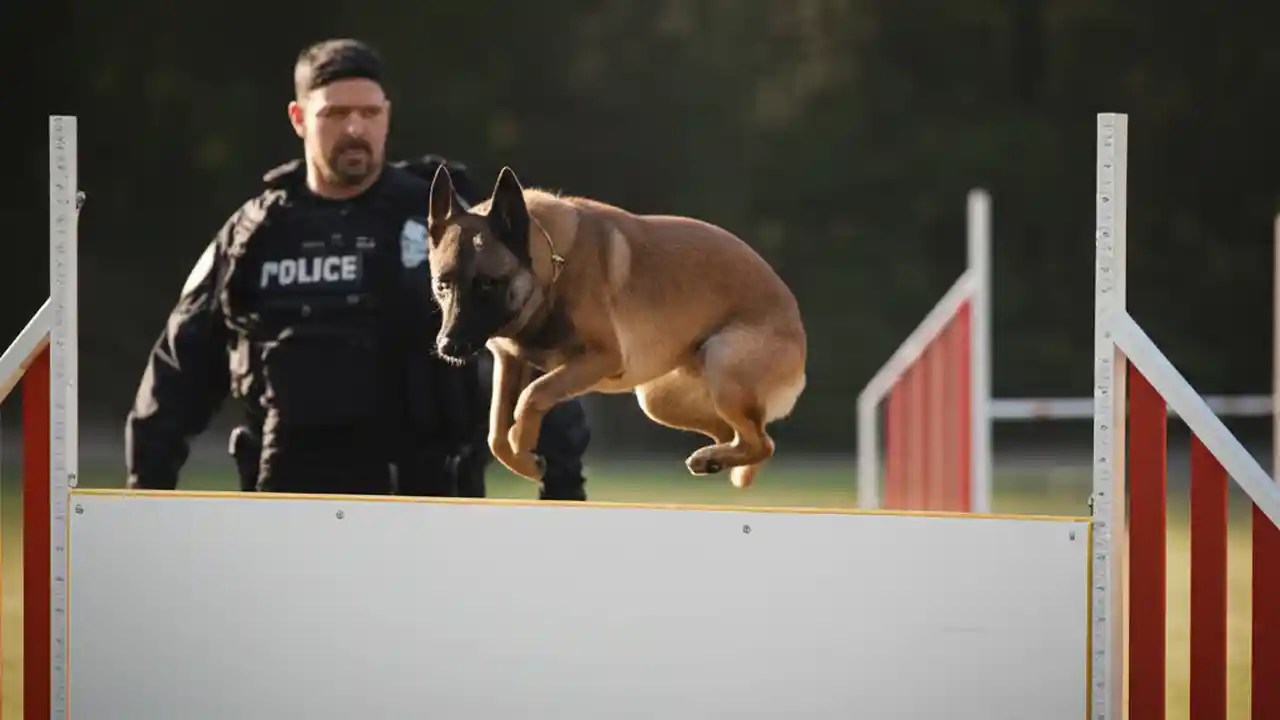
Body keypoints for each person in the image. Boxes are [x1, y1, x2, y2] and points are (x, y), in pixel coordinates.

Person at [124, 37, 590, 500]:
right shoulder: (254, 235)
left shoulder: (452, 230)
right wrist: (145, 492)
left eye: (369, 113)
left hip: (426, 514)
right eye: (335, 113)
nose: (354, 127)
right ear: (299, 118)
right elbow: (178, 369)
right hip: (284, 507)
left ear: (387, 116)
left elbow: (535, 340)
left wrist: (563, 484)